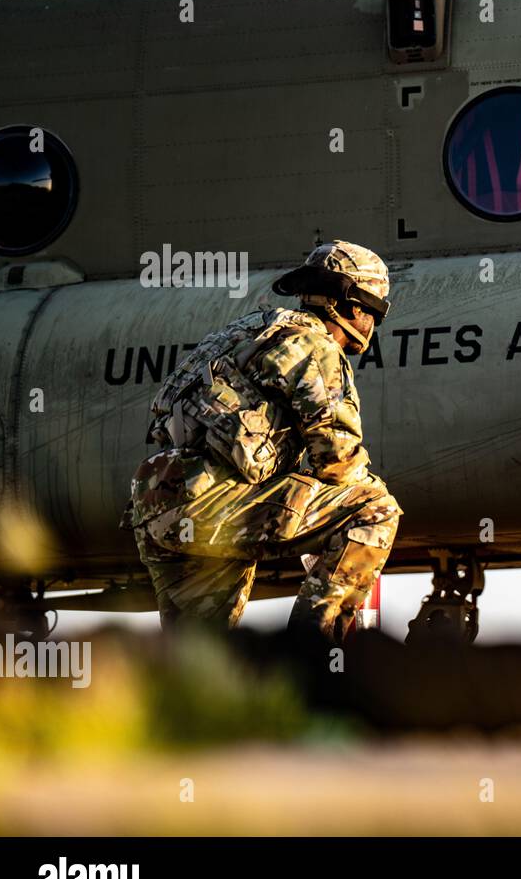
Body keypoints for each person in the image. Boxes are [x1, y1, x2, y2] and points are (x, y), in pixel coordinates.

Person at [120, 240, 401, 643]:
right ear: (352, 304)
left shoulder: (249, 331)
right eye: (374, 309)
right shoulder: (316, 347)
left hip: (161, 503)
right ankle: (306, 656)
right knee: (374, 508)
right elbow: (339, 462)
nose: (372, 321)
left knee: (202, 658)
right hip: (217, 501)